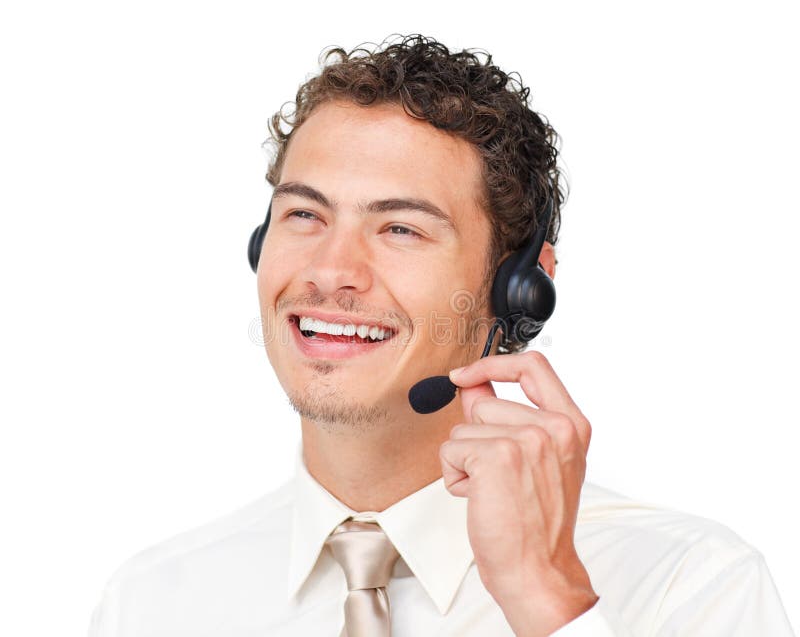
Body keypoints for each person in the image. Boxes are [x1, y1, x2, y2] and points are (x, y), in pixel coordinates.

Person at [89, 34, 795, 636]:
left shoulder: (691, 587)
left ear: (517, 288)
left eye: (400, 227)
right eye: (304, 215)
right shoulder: (151, 603)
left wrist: (548, 600)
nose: (331, 270)